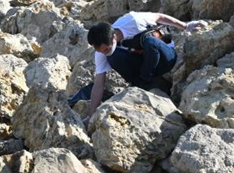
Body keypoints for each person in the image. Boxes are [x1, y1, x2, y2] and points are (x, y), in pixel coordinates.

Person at [72, 13, 206, 126]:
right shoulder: (102, 52)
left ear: (113, 37)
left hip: (165, 59)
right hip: (142, 65)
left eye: (106, 49)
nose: (104, 52)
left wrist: (186, 26)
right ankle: (142, 84)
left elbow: (159, 17)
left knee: (150, 42)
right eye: (101, 51)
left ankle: (147, 80)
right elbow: (99, 85)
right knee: (113, 57)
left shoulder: (132, 21)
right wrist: (91, 115)